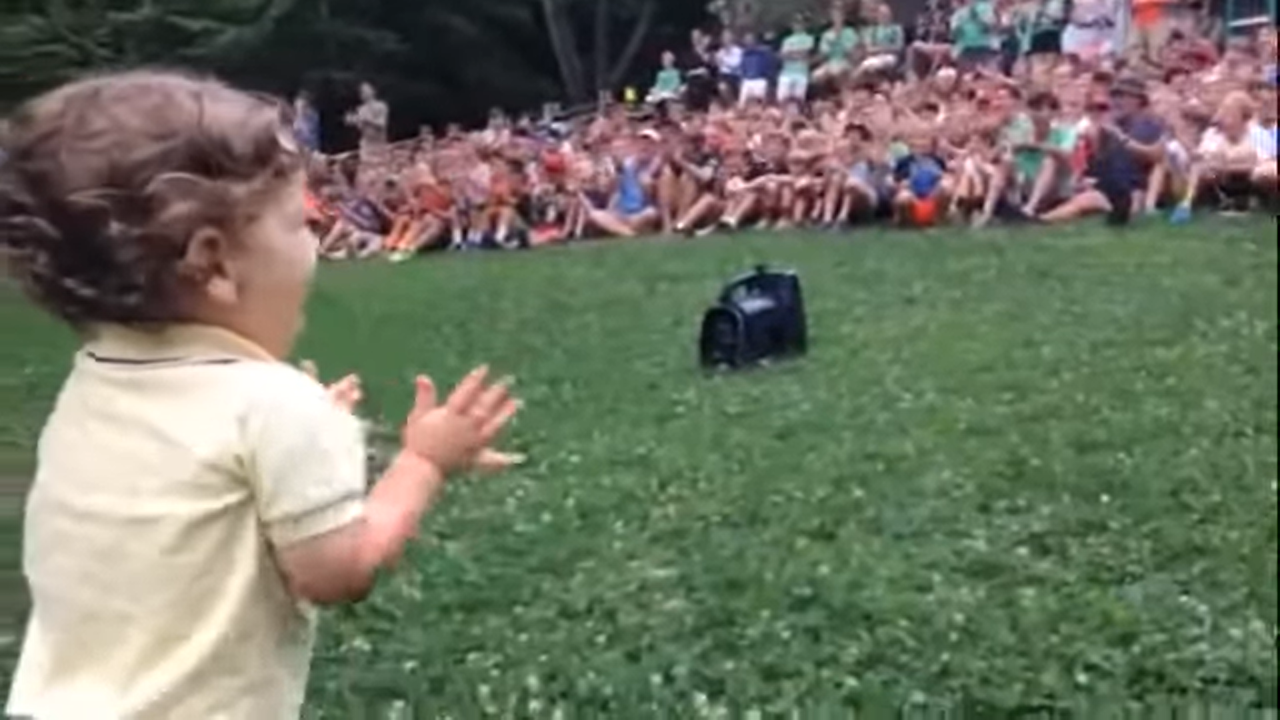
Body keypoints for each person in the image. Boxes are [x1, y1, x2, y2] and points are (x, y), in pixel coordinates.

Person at [0, 70, 523, 718]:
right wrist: (422, 462)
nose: (314, 246)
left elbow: (184, 490)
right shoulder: (272, 406)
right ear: (215, 262)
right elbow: (337, 571)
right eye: (299, 224)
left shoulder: (95, 383)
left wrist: (288, 435)